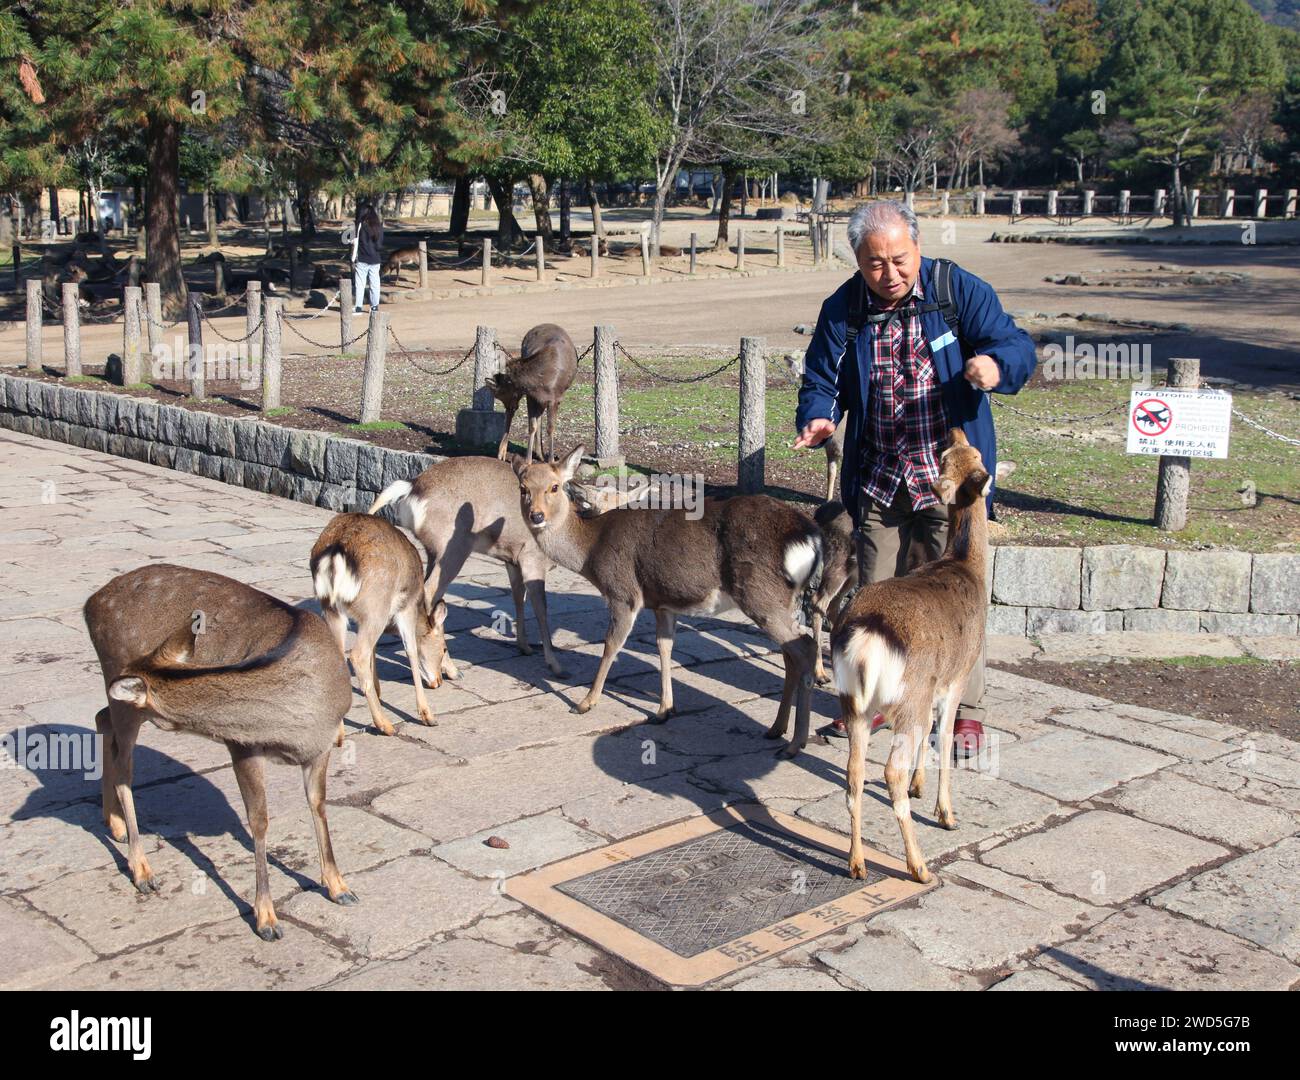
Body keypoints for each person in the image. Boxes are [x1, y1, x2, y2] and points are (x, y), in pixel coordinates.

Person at [794, 199, 1036, 748]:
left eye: (900, 259)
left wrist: (996, 366)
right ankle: (878, 701)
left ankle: (963, 708)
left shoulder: (955, 291)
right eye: (875, 264)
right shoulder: (844, 309)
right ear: (857, 260)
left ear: (918, 247)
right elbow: (821, 378)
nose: (890, 273)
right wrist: (817, 415)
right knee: (874, 596)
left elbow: (1016, 344)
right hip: (880, 475)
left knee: (957, 598)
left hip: (948, 483)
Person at [352, 203, 384, 314]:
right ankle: (374, 307)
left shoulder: (360, 225)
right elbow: (380, 245)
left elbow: (356, 240)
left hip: (362, 258)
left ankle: (358, 307)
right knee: (375, 284)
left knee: (360, 283)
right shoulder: (379, 226)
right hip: (375, 259)